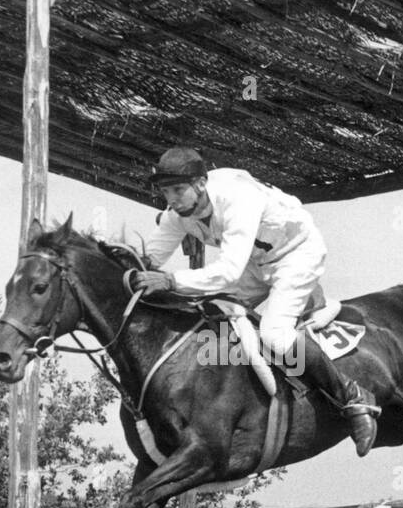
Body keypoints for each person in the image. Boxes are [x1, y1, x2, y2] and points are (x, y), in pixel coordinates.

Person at [131, 146, 381, 456]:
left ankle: (352, 396)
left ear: (200, 184)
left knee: (274, 334)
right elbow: (148, 259)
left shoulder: (237, 198)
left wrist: (171, 280)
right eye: (166, 191)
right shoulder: (176, 215)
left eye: (178, 190)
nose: (172, 199)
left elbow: (227, 271)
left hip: (297, 254)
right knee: (210, 315)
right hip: (255, 263)